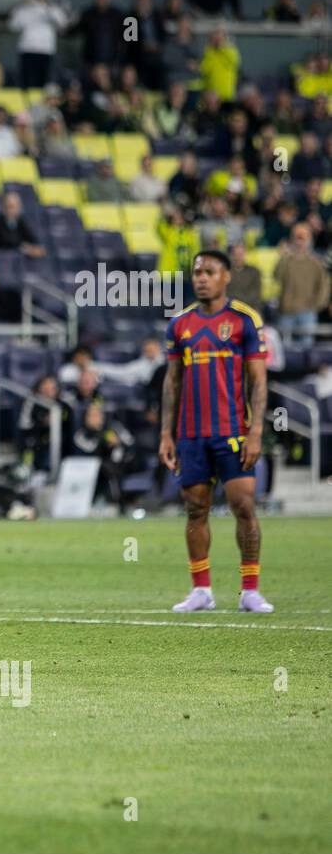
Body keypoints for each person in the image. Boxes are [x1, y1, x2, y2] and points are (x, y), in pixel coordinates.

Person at [159, 251, 271, 614]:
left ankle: (250, 590)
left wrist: (255, 433)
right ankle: (201, 589)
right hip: (191, 435)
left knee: (243, 505)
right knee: (195, 510)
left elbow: (258, 381)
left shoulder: (244, 321)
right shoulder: (179, 325)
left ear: (226, 277)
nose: (201, 278)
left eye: (210, 272)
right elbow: (172, 382)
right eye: (197, 272)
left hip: (233, 431)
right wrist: (166, 433)